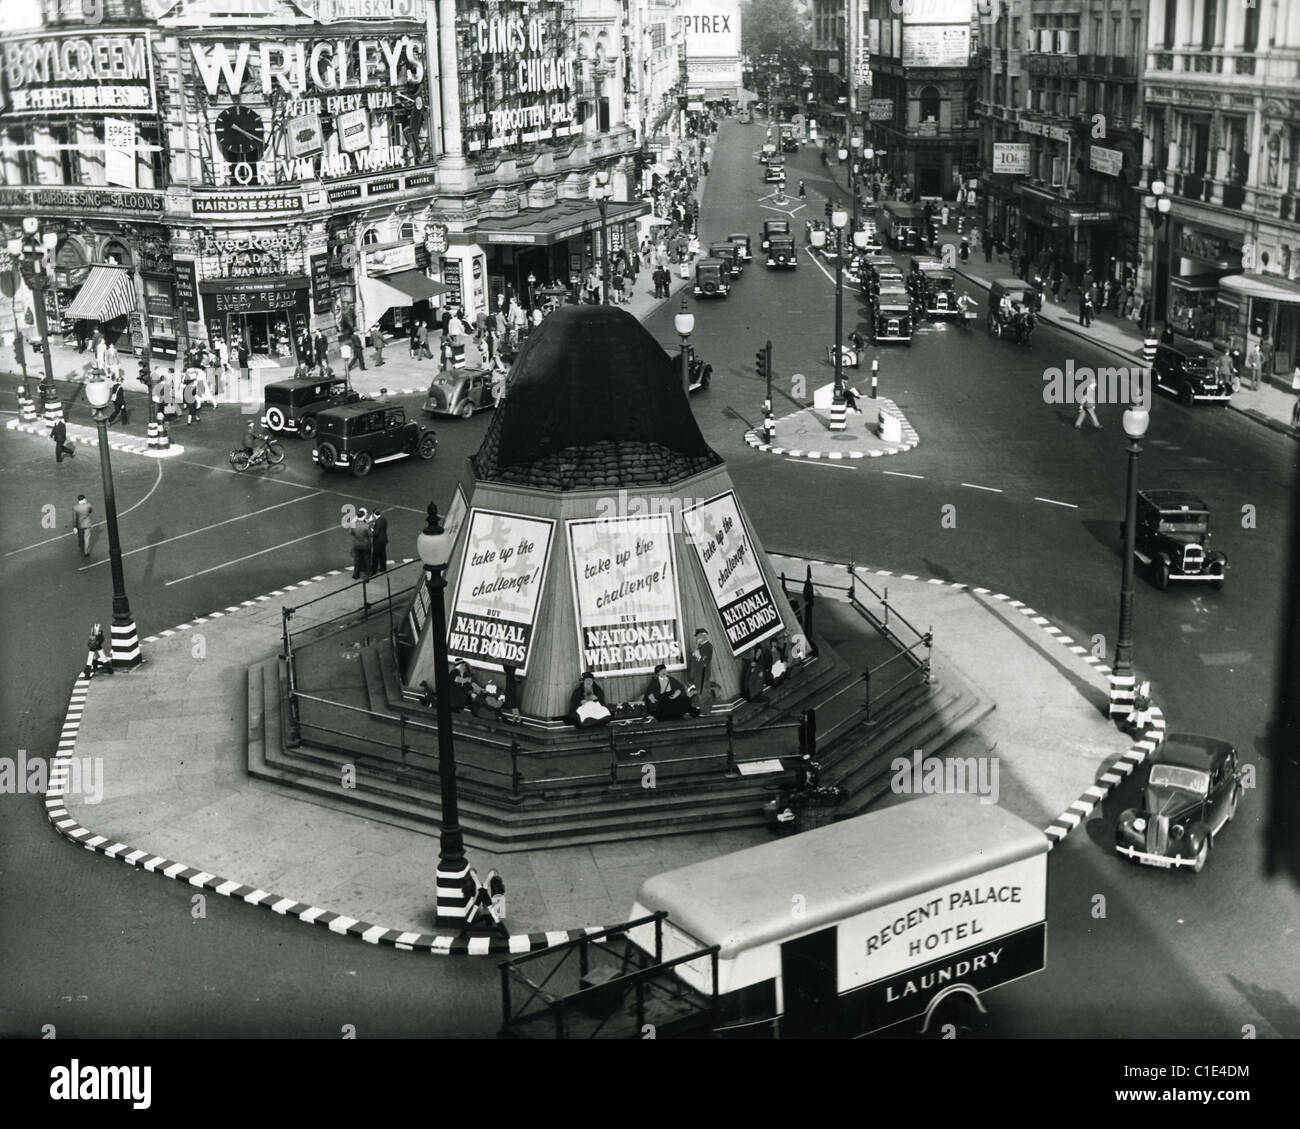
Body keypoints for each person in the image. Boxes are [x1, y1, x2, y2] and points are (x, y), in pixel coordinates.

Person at [685, 628, 716, 714]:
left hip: (703, 674)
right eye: (697, 636)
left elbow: (705, 661)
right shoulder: (700, 646)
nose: (697, 638)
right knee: (701, 692)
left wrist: (697, 655)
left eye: (699, 636)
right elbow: (694, 658)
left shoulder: (708, 646)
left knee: (703, 692)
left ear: (704, 635)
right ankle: (705, 711)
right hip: (697, 674)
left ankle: (706, 712)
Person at [349, 507, 372, 580]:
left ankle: (356, 574)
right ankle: (367, 574)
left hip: (357, 545)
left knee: (357, 559)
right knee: (367, 559)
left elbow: (352, 533)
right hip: (366, 545)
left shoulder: (353, 525)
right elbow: (370, 534)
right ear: (363, 516)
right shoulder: (366, 526)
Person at [368, 507, 388, 574]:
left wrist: (372, 530)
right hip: (384, 540)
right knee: (383, 555)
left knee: (375, 557)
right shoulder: (384, 519)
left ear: (374, 514)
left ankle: (374, 571)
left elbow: (376, 533)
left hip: (378, 542)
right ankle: (383, 568)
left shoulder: (377, 522)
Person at [73, 494, 93, 558]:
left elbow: (74, 518)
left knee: (80, 537)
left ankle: (81, 548)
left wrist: (74, 527)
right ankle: (86, 552)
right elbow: (90, 511)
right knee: (87, 538)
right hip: (87, 524)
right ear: (84, 499)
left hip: (79, 525)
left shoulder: (75, 508)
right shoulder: (88, 505)